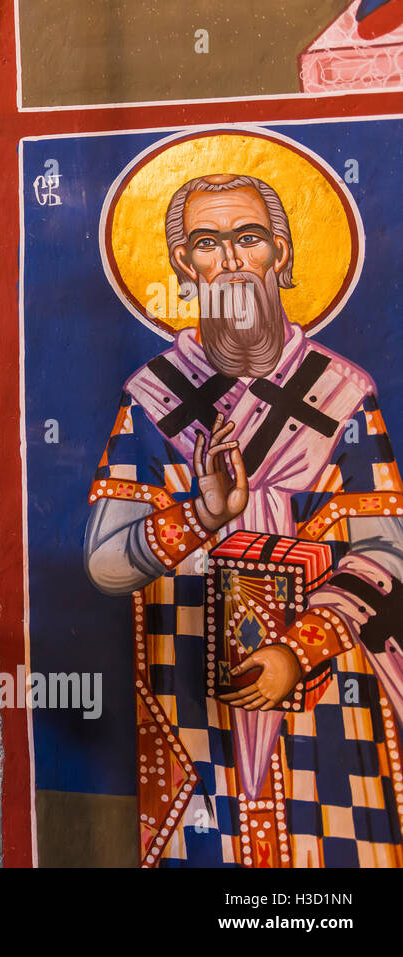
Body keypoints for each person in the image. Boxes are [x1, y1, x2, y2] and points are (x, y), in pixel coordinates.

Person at [84, 172, 403, 866]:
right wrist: (199, 514)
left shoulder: (342, 394)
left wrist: (299, 649)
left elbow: (386, 552)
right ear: (182, 265)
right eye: (206, 243)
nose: (229, 260)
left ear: (281, 255)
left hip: (326, 697)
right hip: (192, 700)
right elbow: (105, 563)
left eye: (248, 237)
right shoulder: (154, 400)